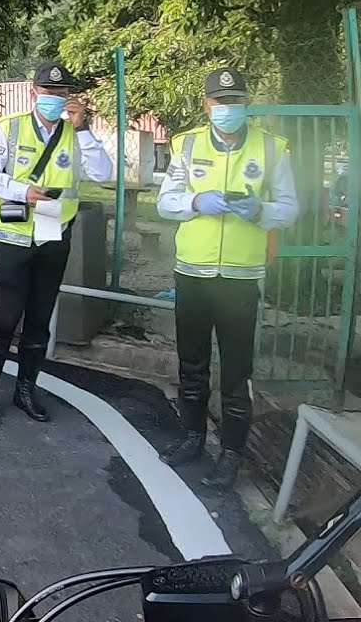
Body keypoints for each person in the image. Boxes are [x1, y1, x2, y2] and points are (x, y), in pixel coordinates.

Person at [156, 67, 300, 489]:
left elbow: (290, 208)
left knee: (237, 372)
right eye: (220, 102)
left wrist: (260, 211)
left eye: (235, 101)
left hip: (240, 277)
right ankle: (192, 438)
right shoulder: (186, 145)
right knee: (193, 364)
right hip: (193, 273)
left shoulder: (272, 150)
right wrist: (199, 200)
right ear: (206, 105)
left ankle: (232, 453)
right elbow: (166, 203)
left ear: (246, 104)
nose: (227, 108)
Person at [0, 61, 113, 430]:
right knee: (4, 318)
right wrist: (21, 190)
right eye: (48, 92)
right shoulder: (11, 128)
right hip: (13, 225)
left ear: (70, 97)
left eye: (62, 93)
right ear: (35, 91)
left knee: (39, 319)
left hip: (52, 225)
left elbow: (103, 173)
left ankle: (25, 389)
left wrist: (83, 129)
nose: (55, 98)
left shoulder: (74, 133)